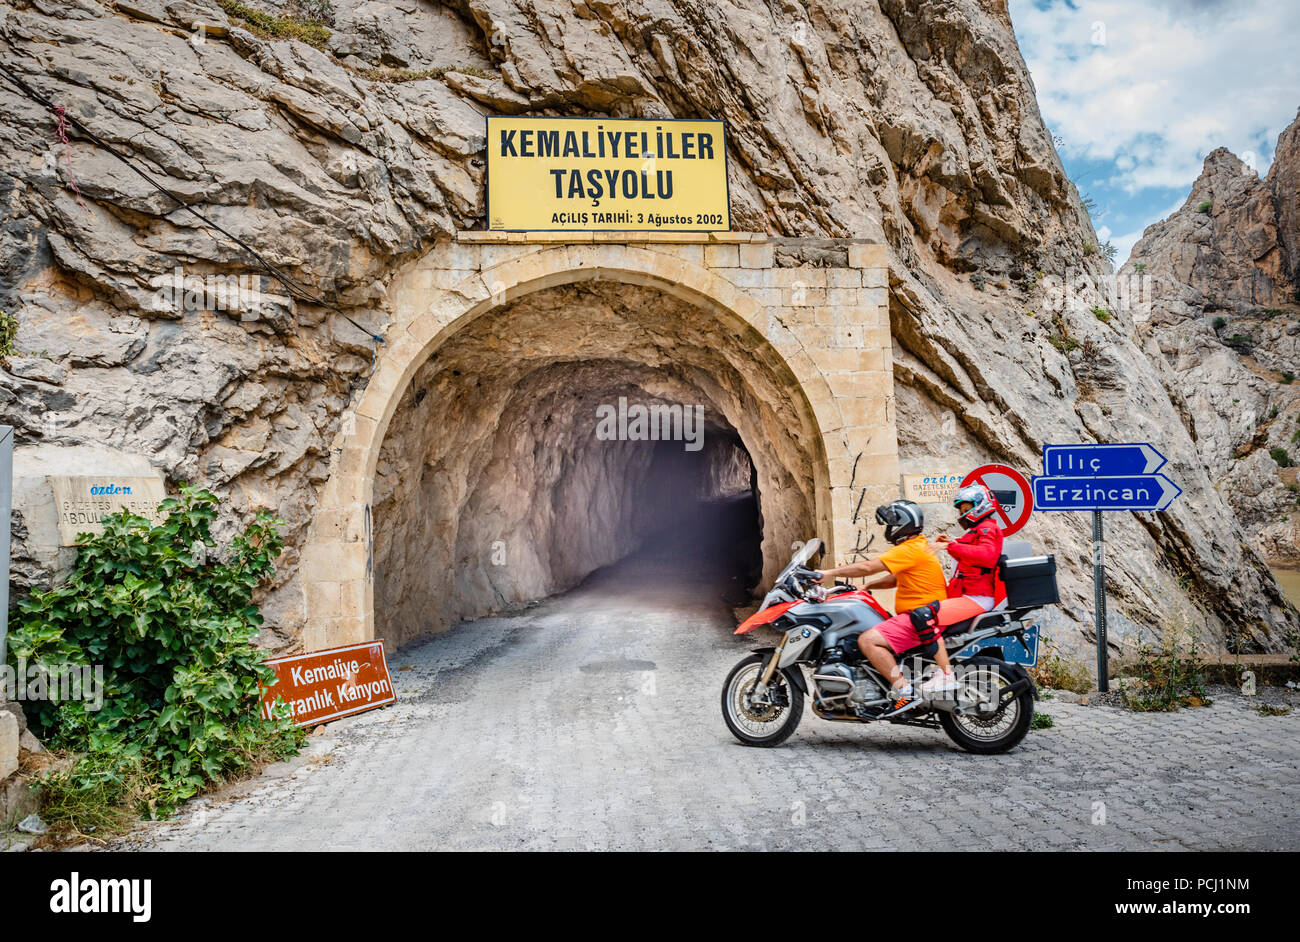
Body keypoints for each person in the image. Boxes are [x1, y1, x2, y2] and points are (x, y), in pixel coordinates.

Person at [812, 500, 953, 717]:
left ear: (901, 526)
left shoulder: (910, 549)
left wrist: (829, 574)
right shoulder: (917, 546)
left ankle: (904, 692)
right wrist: (869, 585)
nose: (887, 529)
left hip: (919, 618)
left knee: (868, 640)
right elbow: (897, 578)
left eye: (890, 524)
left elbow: (868, 566)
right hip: (919, 615)